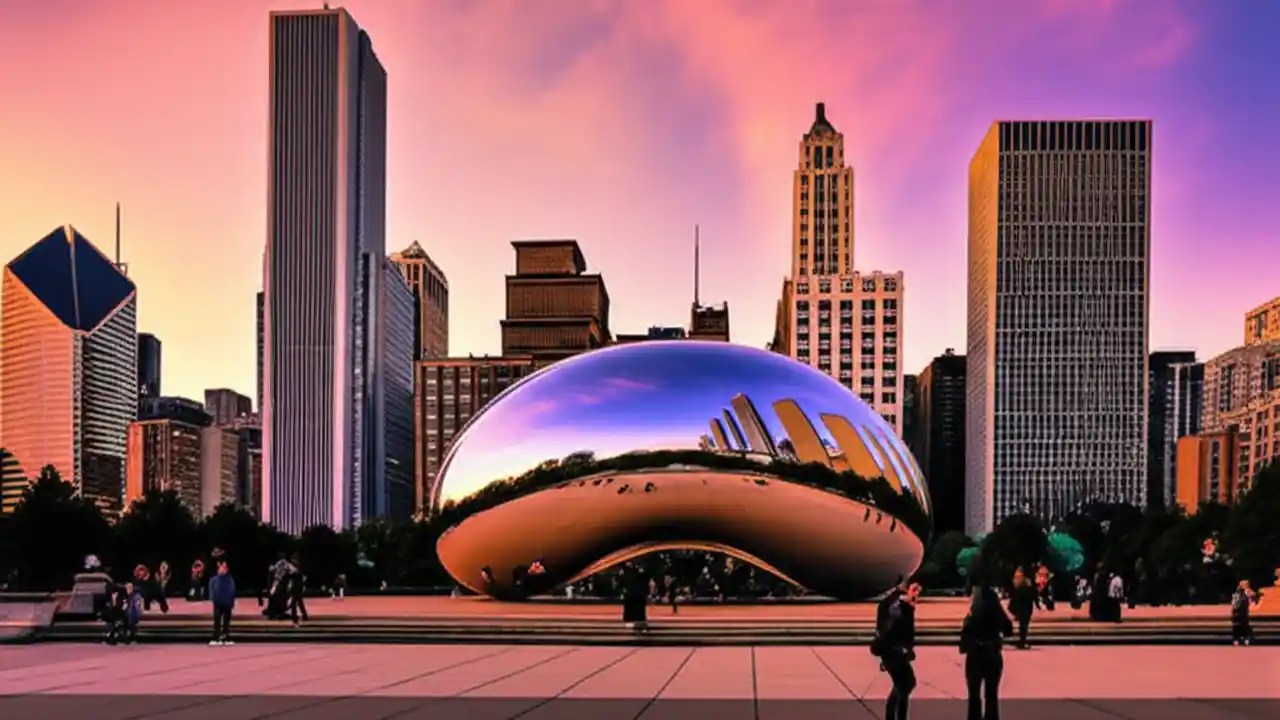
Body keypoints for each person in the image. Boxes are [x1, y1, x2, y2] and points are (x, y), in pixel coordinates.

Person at [961, 582, 1013, 720]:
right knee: (991, 693)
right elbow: (1009, 629)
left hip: (975, 655)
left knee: (974, 694)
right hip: (992, 653)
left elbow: (965, 636)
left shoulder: (973, 614)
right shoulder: (996, 611)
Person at [878, 581, 920, 720]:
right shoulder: (896, 605)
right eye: (913, 591)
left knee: (904, 684)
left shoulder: (891, 603)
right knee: (905, 684)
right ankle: (896, 716)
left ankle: (894, 715)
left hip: (892, 651)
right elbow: (900, 627)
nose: (915, 596)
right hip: (894, 652)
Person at [208, 560, 237, 645]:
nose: (223, 569)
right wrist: (214, 599)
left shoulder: (230, 580)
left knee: (226, 622)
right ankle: (216, 637)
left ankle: (225, 637)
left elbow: (232, 591)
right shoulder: (214, 579)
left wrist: (231, 602)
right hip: (218, 603)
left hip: (227, 603)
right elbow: (212, 591)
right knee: (217, 621)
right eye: (222, 568)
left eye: (225, 568)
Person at [1008, 567, 1036, 649]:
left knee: (1022, 626)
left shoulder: (1017, 584)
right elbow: (1032, 595)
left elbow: (1014, 597)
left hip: (1021, 607)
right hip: (1026, 607)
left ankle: (1021, 642)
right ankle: (1022, 641)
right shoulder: (1027, 583)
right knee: (1024, 626)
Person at [1231, 580, 1258, 646]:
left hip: (1247, 613)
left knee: (1246, 626)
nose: (1243, 586)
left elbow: (1254, 602)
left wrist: (1250, 596)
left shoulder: (1251, 593)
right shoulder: (1237, 593)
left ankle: (1247, 638)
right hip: (1238, 613)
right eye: (1242, 585)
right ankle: (1237, 639)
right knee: (1237, 626)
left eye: (1245, 585)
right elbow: (1234, 603)